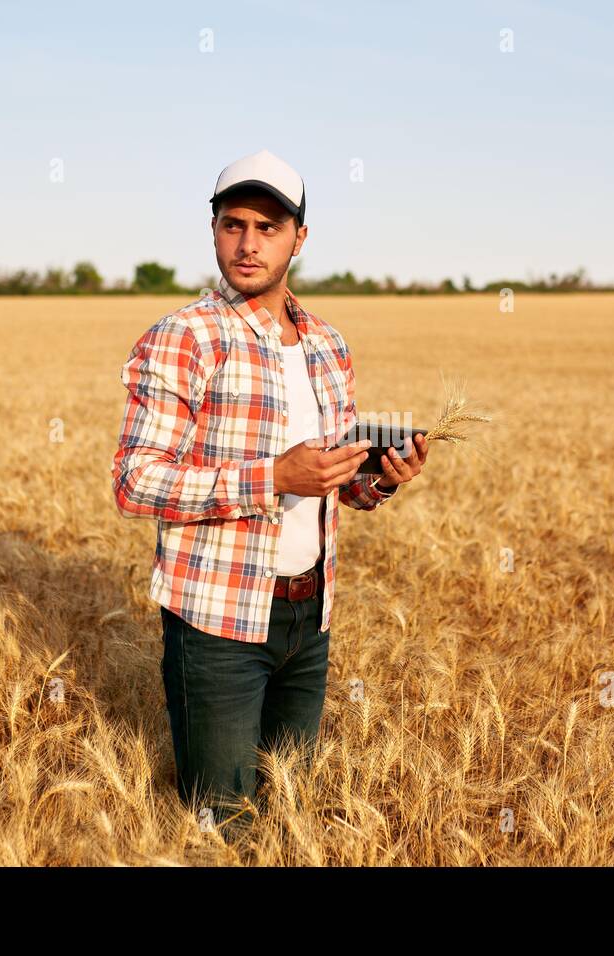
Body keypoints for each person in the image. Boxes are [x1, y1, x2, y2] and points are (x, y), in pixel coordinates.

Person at [111, 149, 430, 835]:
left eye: (268, 227)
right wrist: (272, 477)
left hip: (310, 617)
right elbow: (135, 483)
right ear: (213, 229)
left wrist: (379, 478)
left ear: (299, 238)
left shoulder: (329, 347)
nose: (248, 243)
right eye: (234, 225)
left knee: (291, 814)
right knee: (223, 825)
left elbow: (332, 482)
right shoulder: (186, 338)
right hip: (217, 623)